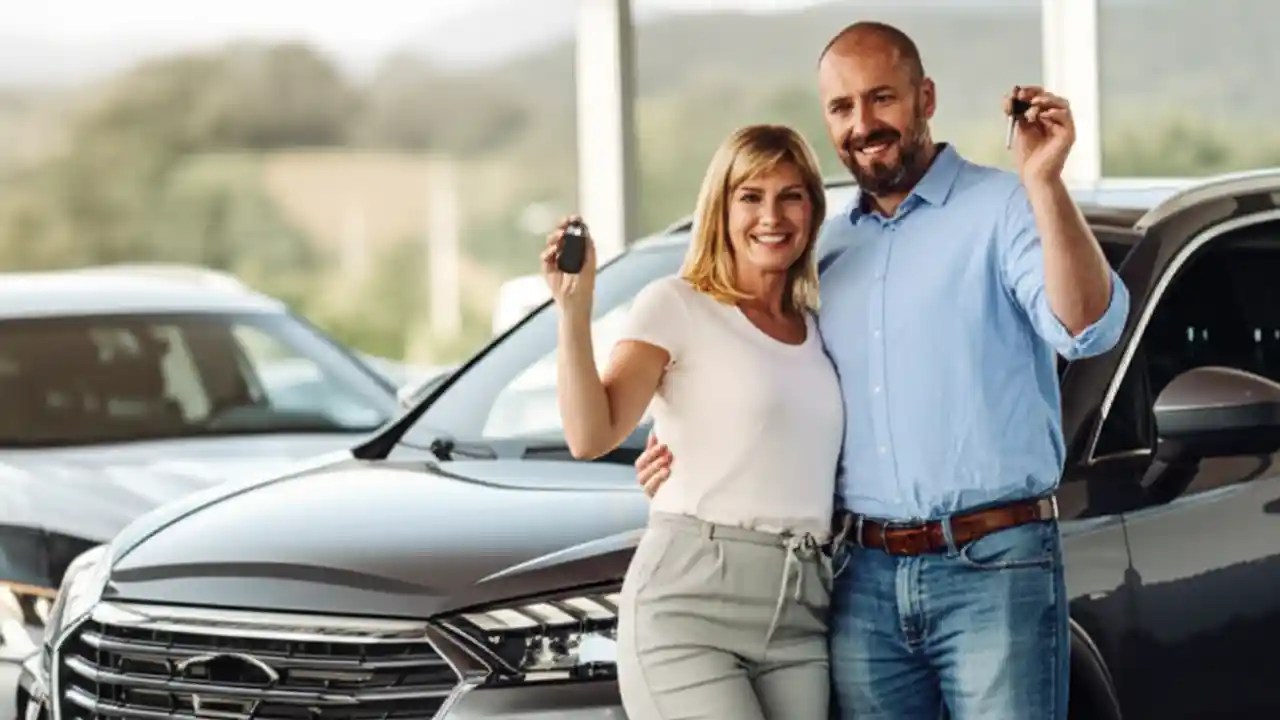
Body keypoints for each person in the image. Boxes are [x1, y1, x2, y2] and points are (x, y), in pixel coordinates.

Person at [633, 20, 1130, 720]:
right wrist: (688, 451)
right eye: (842, 107)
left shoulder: (1005, 206)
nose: (863, 123)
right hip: (858, 580)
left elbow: (1087, 328)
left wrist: (1045, 182)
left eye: (882, 98)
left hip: (992, 567)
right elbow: (770, 381)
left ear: (925, 98)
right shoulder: (825, 248)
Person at [543, 124, 844, 720]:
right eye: (750, 197)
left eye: (790, 196)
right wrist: (573, 313)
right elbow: (591, 434)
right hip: (689, 609)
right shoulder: (677, 303)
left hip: (801, 610)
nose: (772, 216)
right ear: (720, 209)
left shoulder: (817, 324)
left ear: (812, 208)